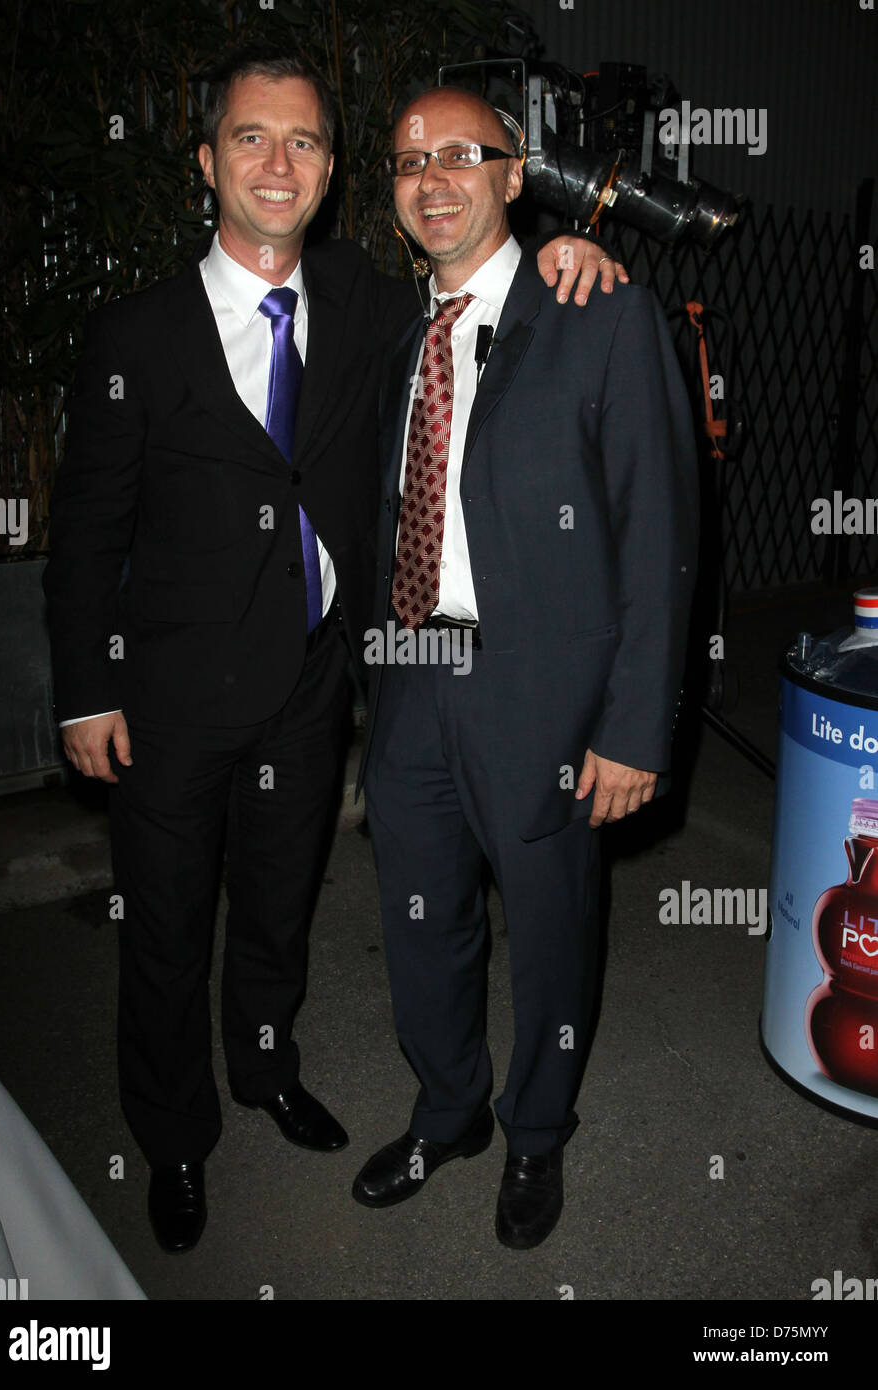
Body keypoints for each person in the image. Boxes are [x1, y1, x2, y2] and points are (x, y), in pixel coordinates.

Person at [42, 50, 620, 1253]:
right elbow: (85, 532)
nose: (277, 161)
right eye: (250, 138)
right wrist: (85, 692)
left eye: (303, 141)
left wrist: (571, 244)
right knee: (162, 930)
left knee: (274, 911)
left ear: (329, 169)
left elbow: (488, 279)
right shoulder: (131, 334)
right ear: (207, 163)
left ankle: (264, 1069)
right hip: (168, 697)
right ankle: (175, 1137)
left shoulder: (364, 299)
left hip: (316, 686)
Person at [354, 86, 699, 1250]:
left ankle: (535, 1131)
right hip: (412, 673)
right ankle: (447, 1108)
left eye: (463, 152)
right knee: (420, 919)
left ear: (515, 176)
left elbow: (656, 531)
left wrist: (635, 727)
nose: (433, 174)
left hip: (544, 693)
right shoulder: (404, 333)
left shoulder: (598, 313)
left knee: (551, 929)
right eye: (409, 158)